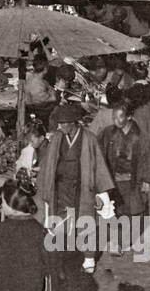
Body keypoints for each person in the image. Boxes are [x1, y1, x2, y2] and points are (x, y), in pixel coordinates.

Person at [35, 102, 114, 274]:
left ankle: (88, 258)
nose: (59, 126)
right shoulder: (56, 138)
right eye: (59, 123)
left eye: (63, 123)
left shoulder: (89, 139)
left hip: (82, 187)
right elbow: (48, 164)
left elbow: (99, 166)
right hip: (61, 188)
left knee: (85, 221)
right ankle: (61, 255)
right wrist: (43, 185)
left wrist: (102, 194)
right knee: (59, 221)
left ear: (73, 123)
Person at [99, 103, 143, 216]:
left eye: (120, 116)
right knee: (115, 209)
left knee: (132, 210)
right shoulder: (108, 132)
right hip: (114, 177)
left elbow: (146, 159)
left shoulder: (140, 135)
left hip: (132, 179)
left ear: (129, 117)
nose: (116, 120)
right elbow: (99, 151)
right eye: (114, 117)